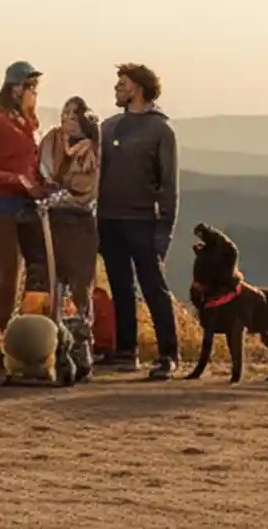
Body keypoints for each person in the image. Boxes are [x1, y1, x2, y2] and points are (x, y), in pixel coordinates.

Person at [97, 63, 180, 380]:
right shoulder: (109, 127)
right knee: (120, 288)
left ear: (140, 88)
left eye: (123, 82)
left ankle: (167, 355)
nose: (117, 87)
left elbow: (169, 186)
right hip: (109, 219)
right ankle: (126, 352)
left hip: (144, 221)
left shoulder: (161, 130)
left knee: (154, 289)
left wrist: (164, 234)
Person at [0, 61, 49, 335]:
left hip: (29, 206)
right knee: (8, 274)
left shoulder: (28, 122)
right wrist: (16, 181)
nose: (35, 93)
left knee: (39, 271)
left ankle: (31, 334)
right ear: (15, 88)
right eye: (31, 87)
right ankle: (1, 336)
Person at [29, 95, 101, 381]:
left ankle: (82, 350)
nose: (67, 119)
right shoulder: (51, 143)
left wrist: (57, 197)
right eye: (65, 113)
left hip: (81, 226)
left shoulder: (91, 152)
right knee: (52, 287)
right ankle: (54, 348)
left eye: (74, 114)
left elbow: (86, 191)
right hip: (52, 224)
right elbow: (42, 173)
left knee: (80, 288)